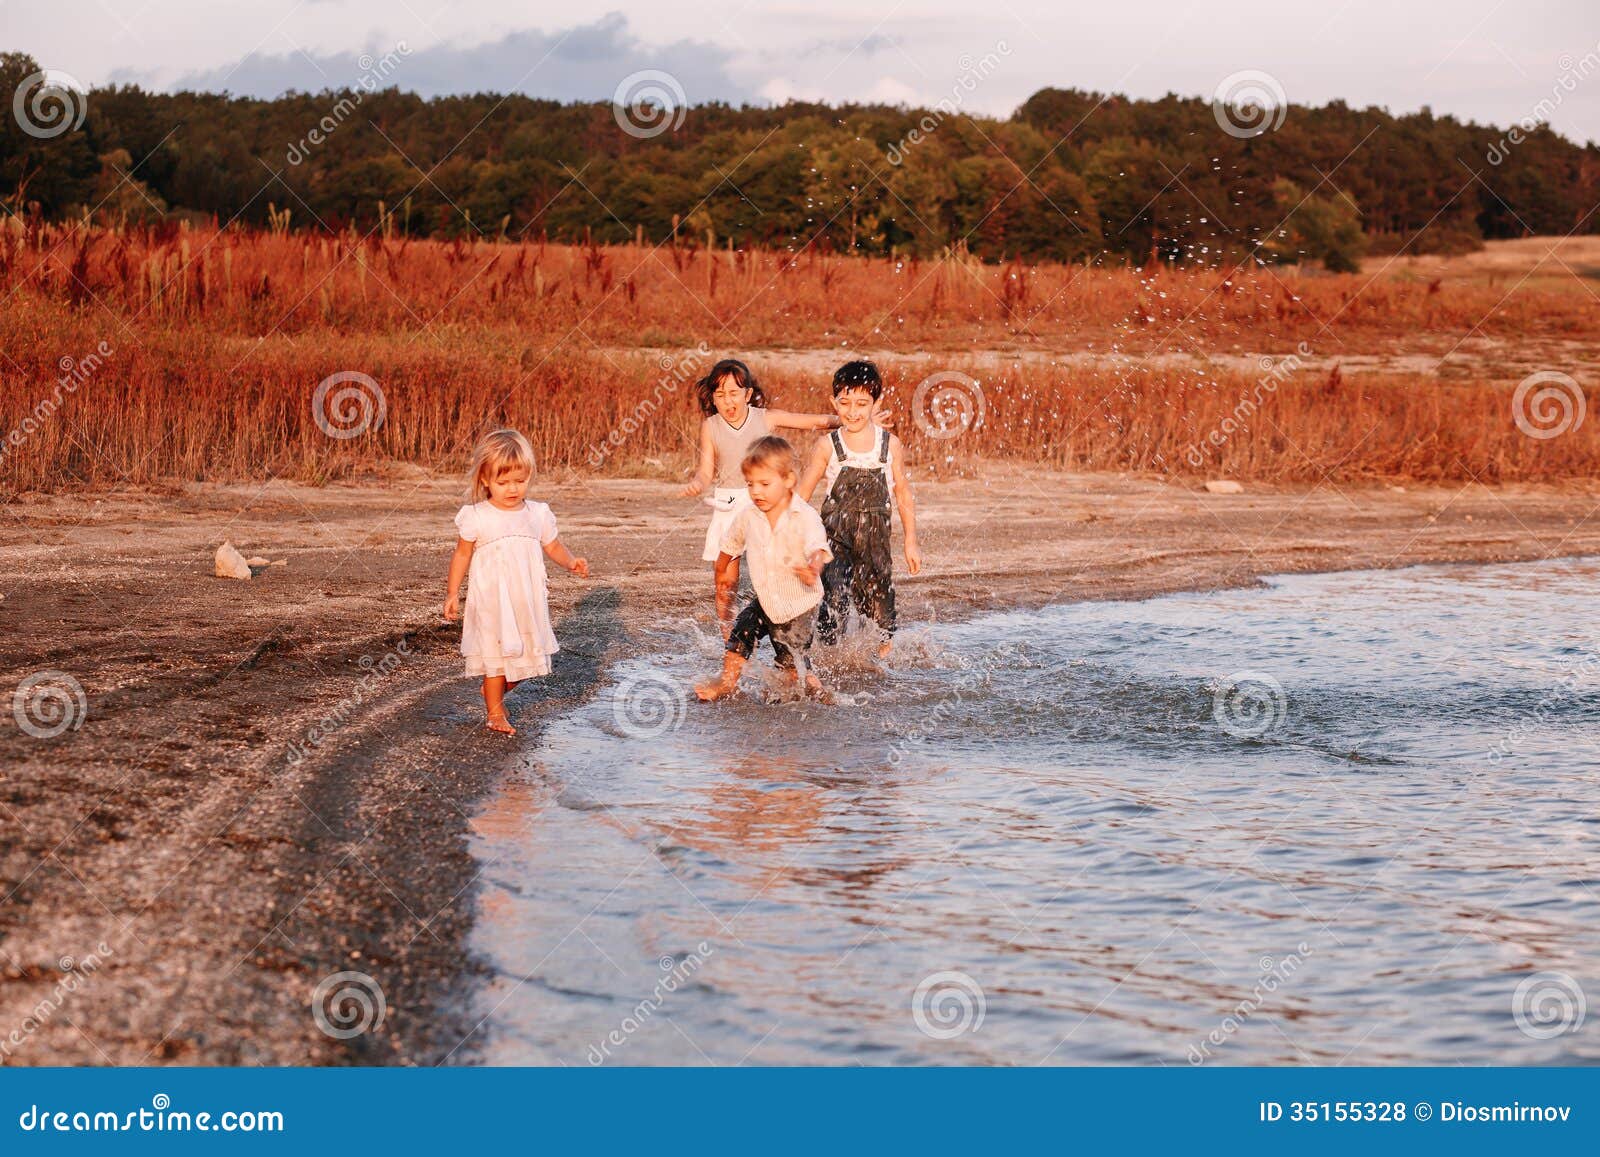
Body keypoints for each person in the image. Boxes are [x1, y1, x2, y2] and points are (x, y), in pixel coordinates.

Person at [679, 358, 881, 626]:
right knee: (725, 581)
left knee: (780, 568)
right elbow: (706, 470)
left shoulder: (765, 417)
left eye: (734, 393)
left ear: (748, 394)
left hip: (766, 502)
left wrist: (853, 420)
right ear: (713, 398)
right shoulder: (711, 426)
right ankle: (728, 633)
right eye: (720, 395)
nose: (728, 401)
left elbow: (812, 422)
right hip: (728, 504)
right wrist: (698, 482)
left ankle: (790, 620)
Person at [443, 428, 589, 734]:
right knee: (496, 655)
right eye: (503, 482)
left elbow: (553, 546)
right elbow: (461, 555)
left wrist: (571, 561)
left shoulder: (537, 513)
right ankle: (495, 713)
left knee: (530, 653)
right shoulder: (477, 516)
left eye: (519, 481)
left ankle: (497, 691)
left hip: (527, 600)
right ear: (485, 480)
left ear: (530, 476)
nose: (512, 489)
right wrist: (452, 593)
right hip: (492, 601)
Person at [695, 436, 832, 702]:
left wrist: (811, 568)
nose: (756, 491)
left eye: (765, 484)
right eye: (750, 484)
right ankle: (726, 684)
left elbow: (818, 546)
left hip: (800, 604)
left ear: (789, 480)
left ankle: (812, 687)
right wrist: (721, 570)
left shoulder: (802, 515)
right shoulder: (749, 514)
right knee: (741, 633)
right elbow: (731, 543)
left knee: (791, 658)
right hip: (767, 598)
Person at [799, 361, 921, 657]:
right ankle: (830, 658)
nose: (852, 412)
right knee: (834, 598)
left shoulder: (889, 446)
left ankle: (881, 658)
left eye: (862, 404)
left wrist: (910, 540)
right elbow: (801, 495)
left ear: (876, 403)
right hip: (834, 540)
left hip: (875, 542)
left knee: (879, 601)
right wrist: (786, 535)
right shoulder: (828, 445)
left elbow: (903, 493)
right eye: (845, 403)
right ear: (834, 402)